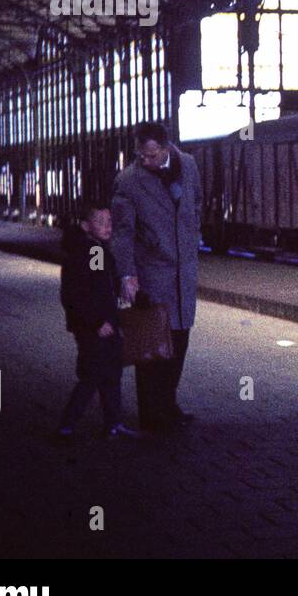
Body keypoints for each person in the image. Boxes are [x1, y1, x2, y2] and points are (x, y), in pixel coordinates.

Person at [111, 122, 202, 433]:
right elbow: (122, 233)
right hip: (152, 273)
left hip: (184, 272)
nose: (146, 161)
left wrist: (191, 239)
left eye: (151, 155)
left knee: (179, 340)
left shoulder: (188, 165)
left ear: (166, 148)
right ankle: (151, 411)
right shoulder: (129, 180)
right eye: (141, 155)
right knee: (152, 343)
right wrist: (127, 274)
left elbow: (197, 204)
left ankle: (169, 403)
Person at [58, 203, 136, 438]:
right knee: (92, 376)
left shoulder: (92, 249)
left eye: (109, 221)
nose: (107, 226)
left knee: (110, 373)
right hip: (97, 327)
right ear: (85, 226)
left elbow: (98, 286)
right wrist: (97, 322)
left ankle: (113, 423)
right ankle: (67, 425)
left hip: (101, 324)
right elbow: (88, 292)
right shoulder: (92, 251)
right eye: (100, 222)